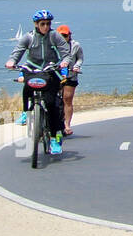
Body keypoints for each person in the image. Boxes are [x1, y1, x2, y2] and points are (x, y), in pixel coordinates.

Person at [5, 9, 71, 155]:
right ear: (36, 24)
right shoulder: (28, 37)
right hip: (33, 68)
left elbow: (66, 54)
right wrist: (11, 61)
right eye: (43, 24)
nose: (46, 27)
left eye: (48, 24)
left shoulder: (55, 36)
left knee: (50, 103)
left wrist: (64, 63)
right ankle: (25, 112)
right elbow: (18, 51)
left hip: (50, 70)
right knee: (27, 86)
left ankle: (54, 138)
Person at [55, 24, 83, 135]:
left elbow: (80, 58)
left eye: (65, 36)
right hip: (56, 75)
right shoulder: (53, 45)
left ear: (69, 35)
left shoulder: (76, 46)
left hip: (70, 75)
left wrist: (77, 66)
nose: (63, 38)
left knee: (67, 99)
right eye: (60, 36)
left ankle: (67, 125)